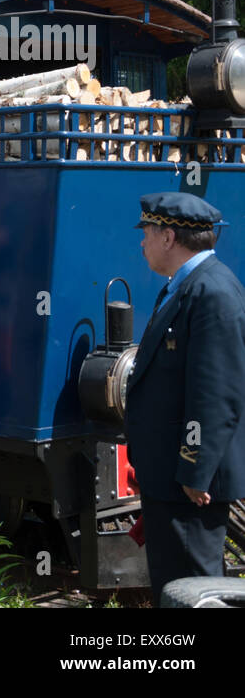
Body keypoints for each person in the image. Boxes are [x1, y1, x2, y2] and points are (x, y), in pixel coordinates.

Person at [126, 192, 245, 606]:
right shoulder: (188, 285)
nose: (141, 242)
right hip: (170, 476)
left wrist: (195, 470)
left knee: (192, 590)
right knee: (172, 588)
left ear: (168, 237)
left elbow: (217, 392)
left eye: (146, 232)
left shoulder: (212, 291)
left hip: (188, 483)